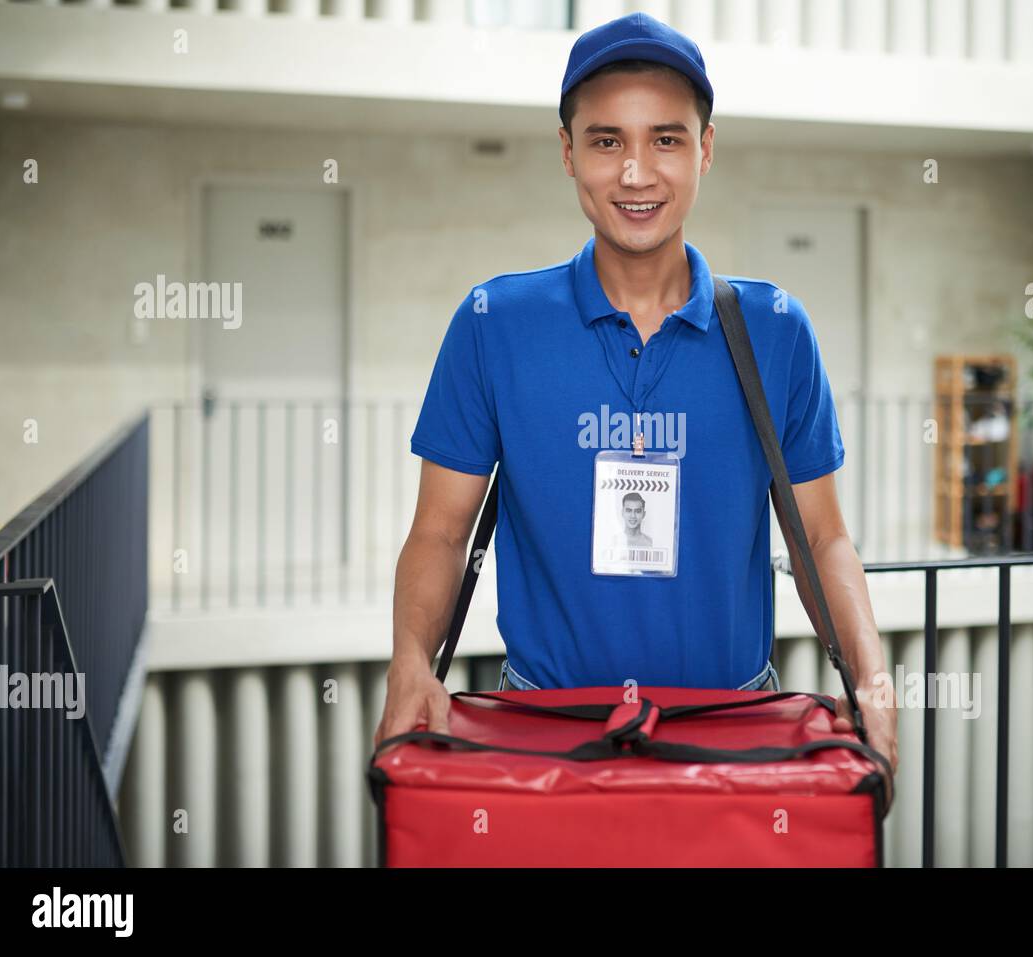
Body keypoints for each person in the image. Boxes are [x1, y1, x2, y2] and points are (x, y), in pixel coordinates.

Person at [375, 12, 898, 773]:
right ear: (568, 151)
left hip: (730, 739)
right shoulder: (494, 324)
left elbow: (820, 538)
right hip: (546, 735)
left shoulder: (776, 330)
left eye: (666, 139)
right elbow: (440, 532)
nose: (636, 173)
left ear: (705, 149)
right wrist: (411, 660)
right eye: (607, 140)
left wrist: (870, 674)